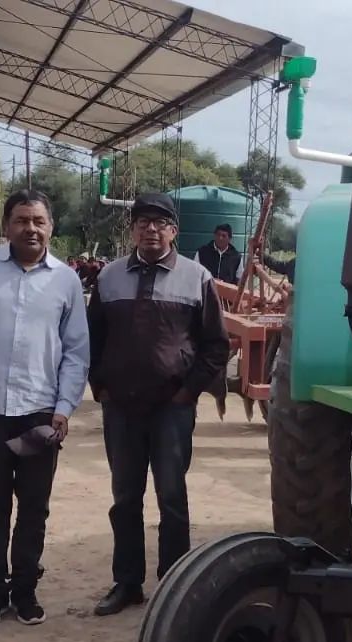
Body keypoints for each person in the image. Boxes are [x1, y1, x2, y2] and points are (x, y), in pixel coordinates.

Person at [0, 189, 89, 628]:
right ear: (6, 226)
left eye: (39, 221)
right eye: (22, 220)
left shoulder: (66, 281)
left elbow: (76, 351)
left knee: (33, 509)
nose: (30, 229)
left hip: (40, 414)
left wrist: (64, 406)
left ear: (51, 228)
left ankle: (25, 591)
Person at [87, 193, 230, 616]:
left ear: (174, 231)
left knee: (172, 496)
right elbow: (91, 339)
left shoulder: (196, 277)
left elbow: (216, 345)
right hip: (121, 409)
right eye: (143, 221)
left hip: (172, 408)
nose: (151, 229)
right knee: (125, 498)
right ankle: (127, 583)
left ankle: (173, 586)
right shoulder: (110, 277)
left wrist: (188, 392)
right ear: (132, 229)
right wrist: (101, 387)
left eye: (160, 222)